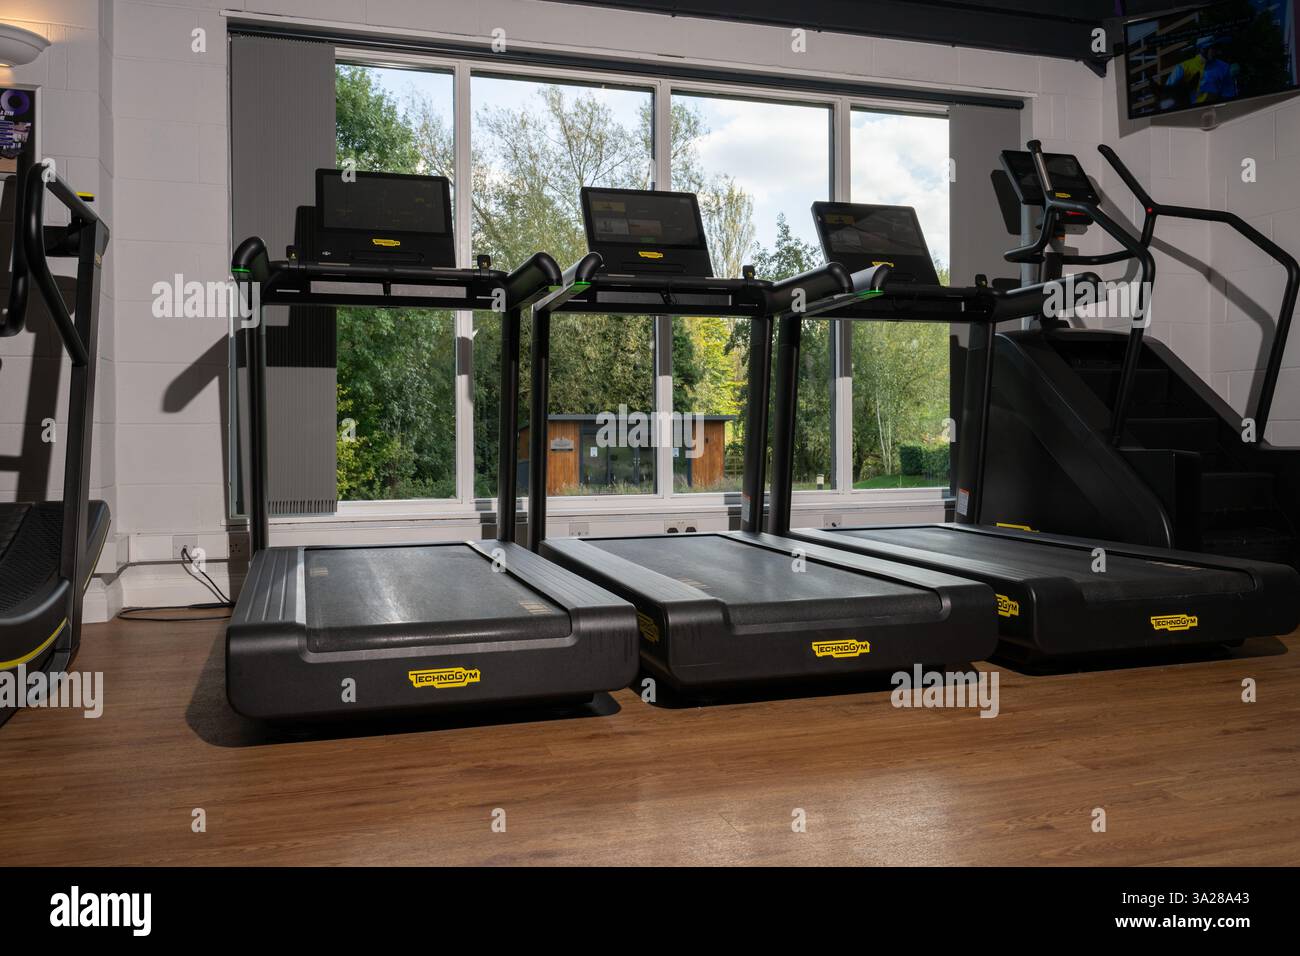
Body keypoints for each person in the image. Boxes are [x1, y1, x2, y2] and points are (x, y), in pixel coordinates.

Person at [1165, 35, 1239, 107]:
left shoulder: (1224, 67)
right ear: (1203, 49)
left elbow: (1229, 95)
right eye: (1214, 48)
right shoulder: (1182, 68)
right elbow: (1167, 93)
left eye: (1218, 48)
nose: (1219, 52)